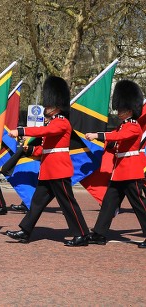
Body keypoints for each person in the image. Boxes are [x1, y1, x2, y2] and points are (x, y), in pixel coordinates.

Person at [5, 76, 90, 247]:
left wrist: (20, 131)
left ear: (58, 107)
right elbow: (46, 148)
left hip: (59, 170)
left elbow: (44, 131)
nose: (47, 108)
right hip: (49, 170)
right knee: (37, 203)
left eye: (50, 105)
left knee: (67, 203)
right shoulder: (54, 122)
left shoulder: (62, 123)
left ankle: (81, 234)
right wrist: (31, 150)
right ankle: (25, 231)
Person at [85, 80, 146, 248]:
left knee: (140, 206)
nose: (119, 111)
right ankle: (99, 233)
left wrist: (98, 135)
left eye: (122, 109)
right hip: (119, 171)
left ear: (131, 110)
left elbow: (119, 137)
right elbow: (114, 138)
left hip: (131, 171)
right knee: (108, 203)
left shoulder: (133, 126)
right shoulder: (122, 126)